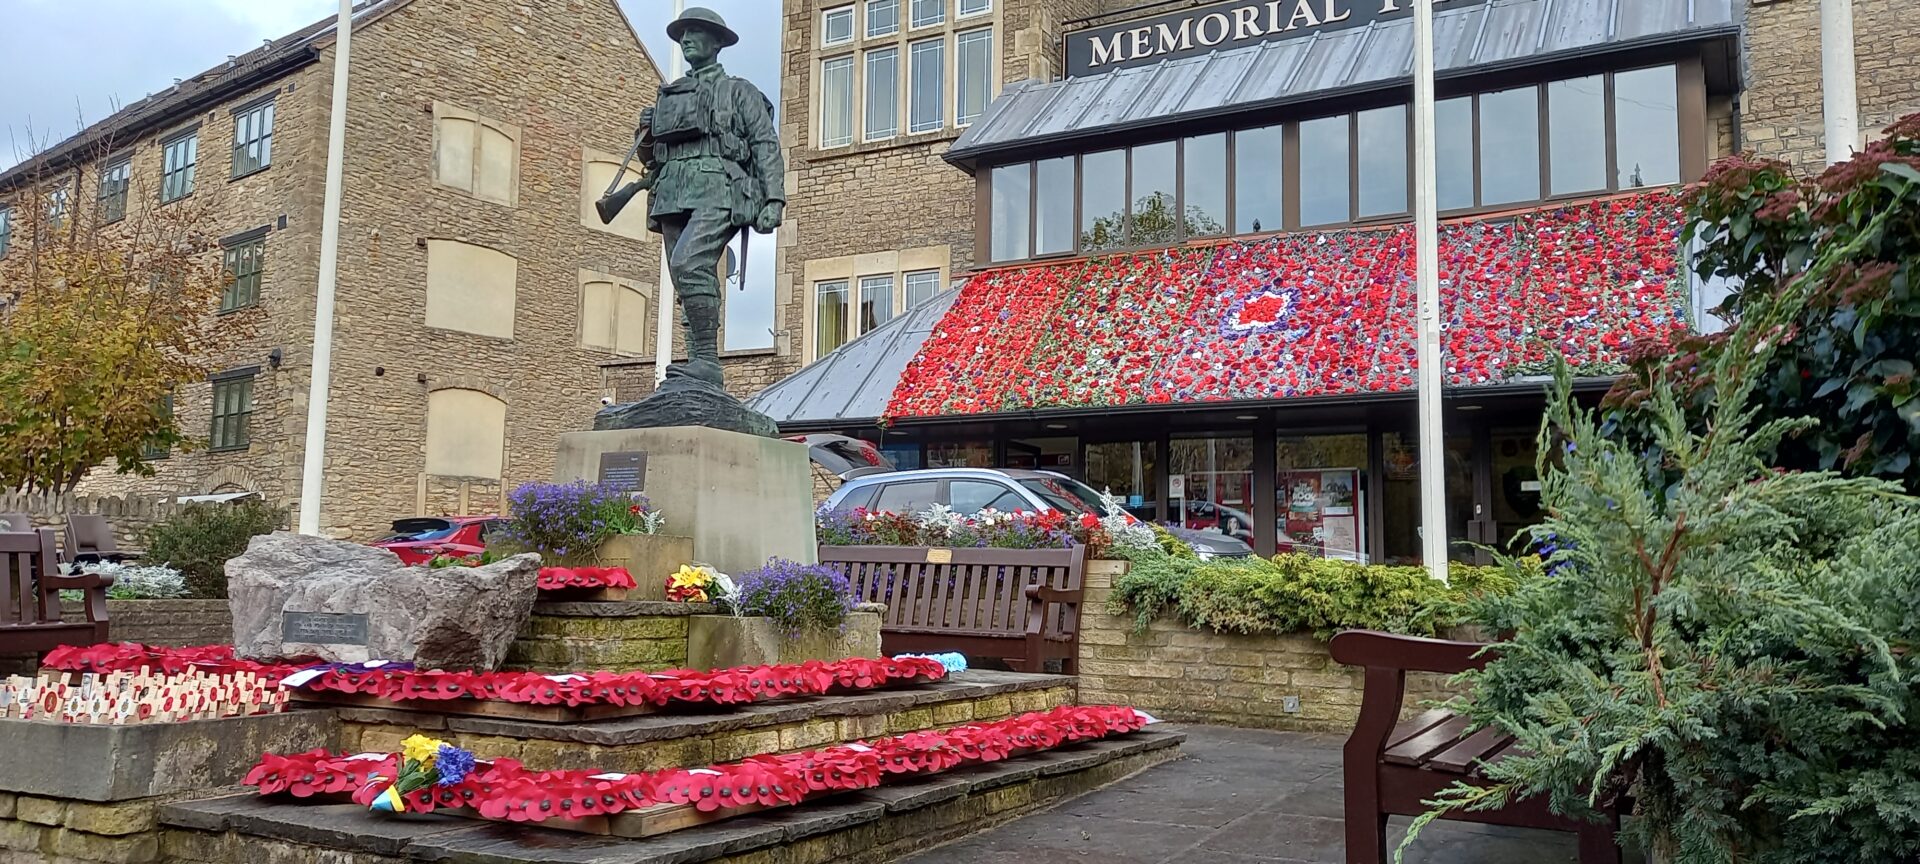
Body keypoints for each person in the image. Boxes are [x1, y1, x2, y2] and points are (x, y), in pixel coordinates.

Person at [603, 7, 784, 388]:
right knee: (686, 282)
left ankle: (705, 362)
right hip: (672, 192)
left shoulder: (739, 91)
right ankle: (698, 366)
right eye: (681, 34)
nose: (685, 40)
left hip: (717, 188)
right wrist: (648, 132)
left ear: (717, 42)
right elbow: (652, 157)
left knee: (688, 264)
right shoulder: (667, 97)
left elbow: (765, 144)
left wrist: (773, 199)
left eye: (694, 32)